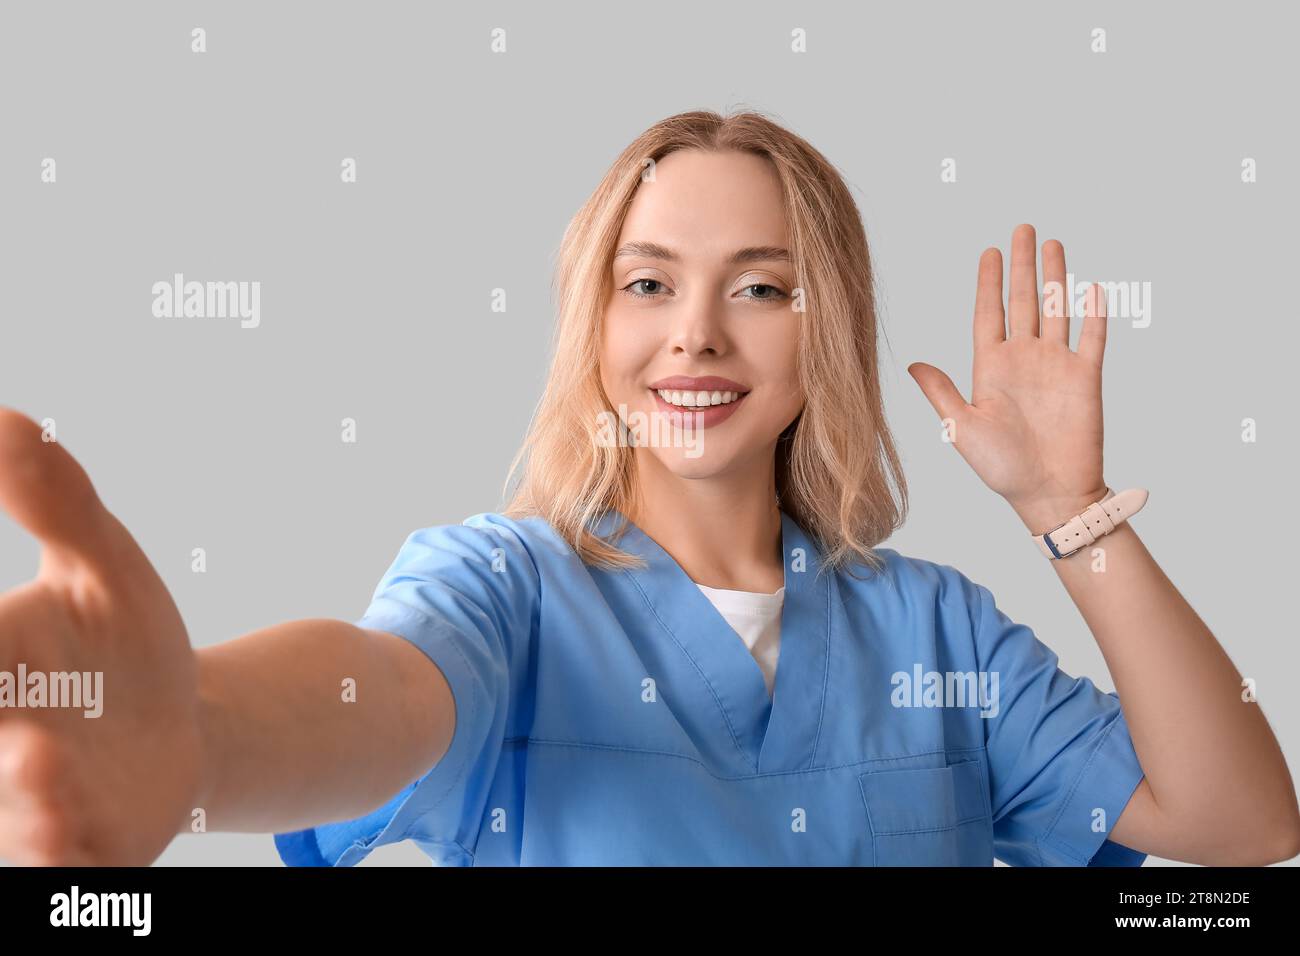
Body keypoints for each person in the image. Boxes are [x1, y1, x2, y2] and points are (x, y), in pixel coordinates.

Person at [0, 110, 1296, 866]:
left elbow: (1240, 824)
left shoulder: (937, 633)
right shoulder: (506, 591)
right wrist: (199, 736)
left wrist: (1067, 510)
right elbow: (377, 694)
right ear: (592, 322)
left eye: (761, 286)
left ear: (824, 327)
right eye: (649, 281)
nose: (695, 336)